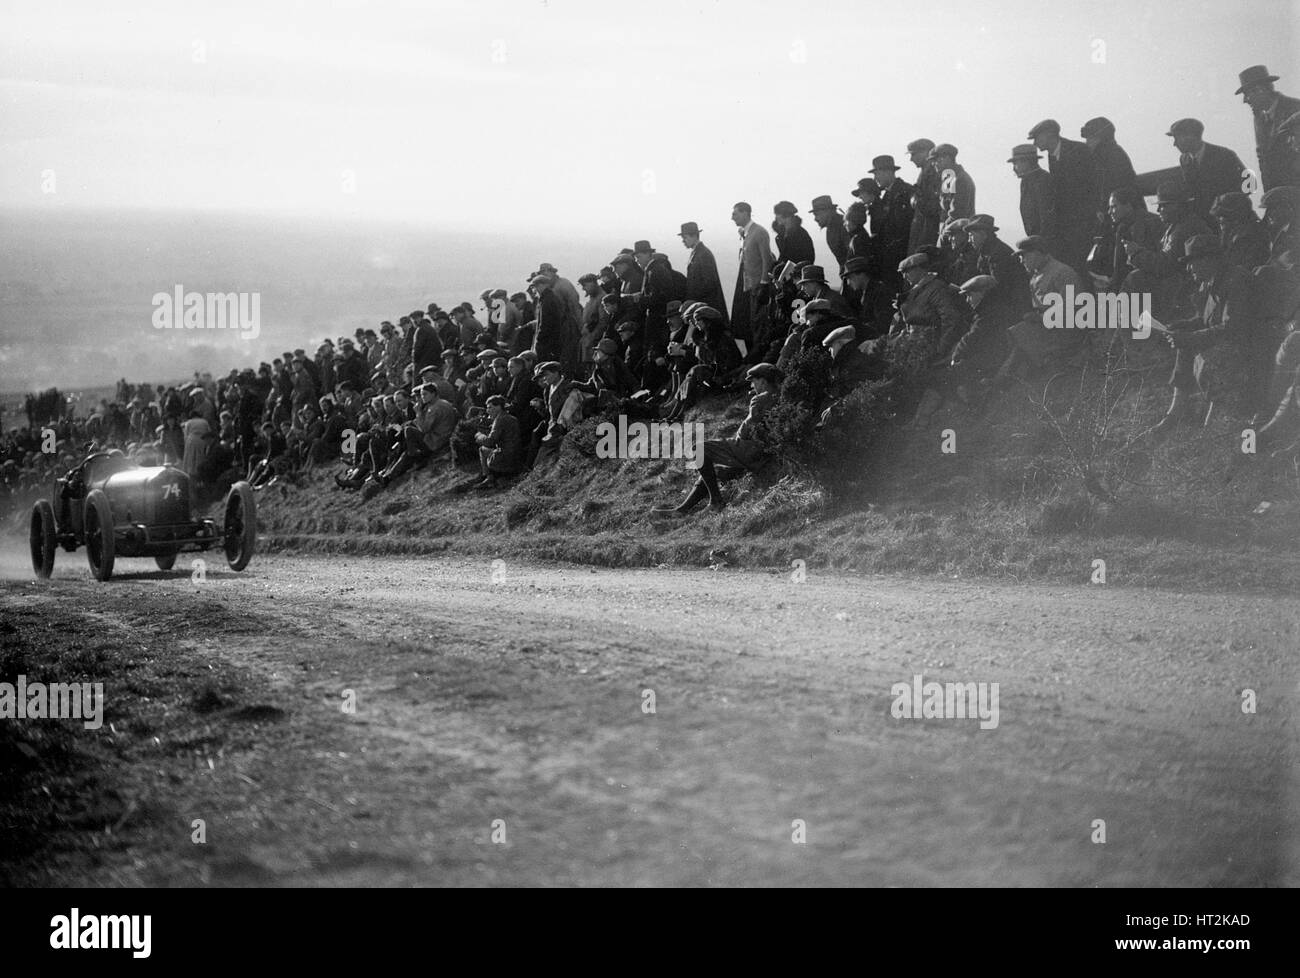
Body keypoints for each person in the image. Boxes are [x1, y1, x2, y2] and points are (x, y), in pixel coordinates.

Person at [1151, 234, 1269, 437]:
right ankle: (1177, 412)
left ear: (1209, 259)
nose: (1189, 269)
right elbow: (1207, 320)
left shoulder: (1235, 281)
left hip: (1248, 349)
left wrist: (1190, 337)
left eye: (1192, 262)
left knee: (1209, 360)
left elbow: (1233, 329)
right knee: (1186, 342)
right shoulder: (1212, 281)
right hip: (1231, 342)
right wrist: (1181, 326)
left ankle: (1213, 423)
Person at [652, 362, 783, 516]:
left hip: (752, 450)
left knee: (699, 449)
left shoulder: (760, 399)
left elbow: (748, 426)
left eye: (754, 381)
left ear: (763, 381)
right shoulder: (781, 395)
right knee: (719, 470)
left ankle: (716, 501)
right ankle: (682, 510)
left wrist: (736, 439)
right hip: (768, 452)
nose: (753, 386)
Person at [1027, 119, 1098, 280]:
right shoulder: (1053, 156)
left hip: (1083, 225)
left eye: (1037, 138)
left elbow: (1091, 187)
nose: (1035, 143)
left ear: (1049, 134)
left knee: (1081, 269)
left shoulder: (1078, 151)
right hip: (1068, 227)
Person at [1167, 118, 1250, 221]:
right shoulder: (1184, 159)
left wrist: (1231, 204)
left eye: (1177, 138)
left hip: (1229, 219)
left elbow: (1250, 183)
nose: (1174, 144)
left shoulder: (1224, 155)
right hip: (1204, 220)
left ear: (1191, 136)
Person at [1236, 64, 1300, 193]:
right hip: (1278, 196)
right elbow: (1263, 159)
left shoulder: (1295, 109)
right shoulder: (1259, 119)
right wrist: (1270, 195)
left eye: (1247, 94)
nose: (1245, 100)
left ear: (1260, 90)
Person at [867, 155, 915, 293]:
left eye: (877, 174)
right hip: (890, 258)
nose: (875, 179)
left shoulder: (905, 192)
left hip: (901, 256)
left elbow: (905, 228)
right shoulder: (887, 196)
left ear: (888, 172)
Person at [730, 201, 773, 352]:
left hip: (756, 286)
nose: (732, 217)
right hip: (746, 286)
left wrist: (763, 283)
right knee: (746, 325)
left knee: (757, 324)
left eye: (735, 213)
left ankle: (758, 357)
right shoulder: (745, 233)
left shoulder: (759, 232)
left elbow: (766, 259)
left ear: (745, 213)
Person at [679, 221, 728, 324]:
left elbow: (709, 283)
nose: (683, 241)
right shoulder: (698, 253)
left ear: (694, 236)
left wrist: (693, 300)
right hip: (701, 305)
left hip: (707, 306)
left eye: (685, 237)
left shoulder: (704, 254)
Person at [1210, 192, 1271, 272]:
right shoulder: (1230, 235)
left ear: (1236, 216)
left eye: (1223, 215)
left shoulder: (1252, 235)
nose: (1220, 220)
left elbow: (1246, 268)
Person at [474, 394, 524, 488]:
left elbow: (490, 442)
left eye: (490, 407)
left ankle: (489, 478)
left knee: (482, 449)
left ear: (499, 407)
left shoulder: (499, 419)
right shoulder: (510, 417)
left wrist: (479, 436)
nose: (488, 411)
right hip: (517, 455)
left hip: (505, 456)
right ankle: (495, 478)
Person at [906, 138, 942, 253]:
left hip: (928, 231)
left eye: (913, 154)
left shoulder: (935, 174)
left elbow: (934, 207)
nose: (911, 159)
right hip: (922, 229)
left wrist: (916, 201)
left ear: (926, 152)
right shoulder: (924, 173)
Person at [930, 143, 976, 232]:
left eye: (936, 160)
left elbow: (957, 214)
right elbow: (944, 210)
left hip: (958, 232)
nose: (933, 164)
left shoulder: (960, 179)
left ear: (947, 158)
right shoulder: (949, 178)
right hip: (950, 230)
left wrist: (944, 230)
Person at [810, 196, 849, 269]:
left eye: (816, 214)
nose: (815, 219)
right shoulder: (832, 228)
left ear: (827, 211)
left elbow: (854, 254)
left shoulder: (843, 226)